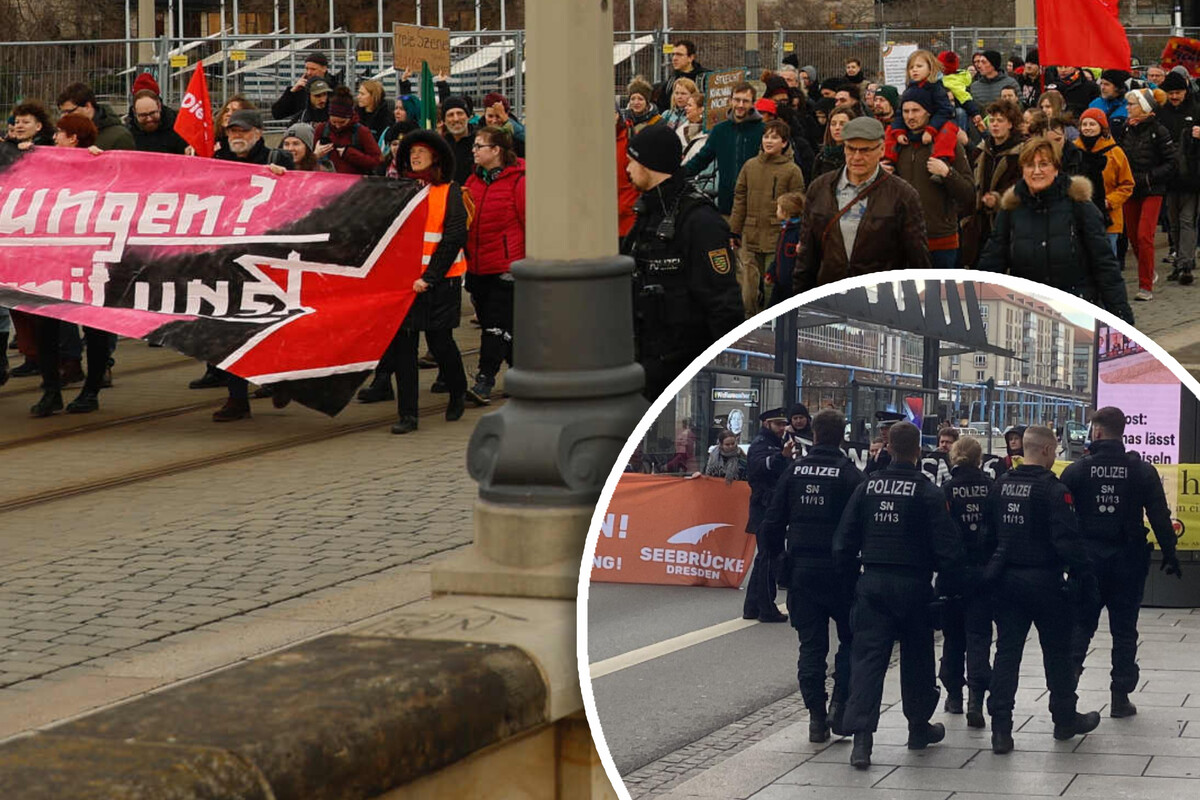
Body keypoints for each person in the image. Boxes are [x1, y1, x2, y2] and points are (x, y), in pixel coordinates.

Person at [833, 421, 964, 769]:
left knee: (868, 662)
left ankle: (862, 742)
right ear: (918, 451)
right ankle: (918, 728)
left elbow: (843, 541)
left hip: (873, 581)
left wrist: (851, 585)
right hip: (914, 585)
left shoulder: (867, 487)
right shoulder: (927, 492)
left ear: (887, 449)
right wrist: (943, 589)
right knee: (918, 659)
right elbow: (949, 551)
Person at [985, 426, 1101, 754]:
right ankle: (1064, 719)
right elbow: (1067, 540)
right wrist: (1085, 576)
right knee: (1058, 653)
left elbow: (988, 535)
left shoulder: (1001, 485)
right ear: (1049, 450)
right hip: (1046, 582)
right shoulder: (1053, 490)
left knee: (1007, 653)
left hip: (1007, 582)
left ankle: (1001, 729)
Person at [1061, 407, 1183, 717]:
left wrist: (1062, 558)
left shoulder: (1077, 470)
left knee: (1080, 626)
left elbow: (1058, 518)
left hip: (1087, 562)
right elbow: (1159, 515)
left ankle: (1067, 691)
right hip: (1128, 560)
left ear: (1097, 432)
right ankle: (1120, 697)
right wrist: (1170, 553)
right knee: (1125, 630)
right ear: (1123, 431)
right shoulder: (1141, 471)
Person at [761, 409, 864, 741]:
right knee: (851, 640)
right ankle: (839, 702)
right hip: (841, 573)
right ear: (841, 436)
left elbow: (772, 524)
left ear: (815, 435)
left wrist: (780, 563)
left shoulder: (794, 472)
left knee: (810, 646)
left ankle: (816, 718)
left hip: (802, 570)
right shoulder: (850, 475)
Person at [621, 125, 744, 400]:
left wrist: (719, 365)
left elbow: (723, 301)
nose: (627, 167)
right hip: (649, 355)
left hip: (683, 361)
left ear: (649, 163)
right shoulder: (648, 211)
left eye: (633, 160)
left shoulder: (698, 219)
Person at [369, 129, 477, 434]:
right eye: (411, 152)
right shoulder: (398, 189)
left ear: (436, 157)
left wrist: (429, 277)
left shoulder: (450, 191)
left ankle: (457, 392)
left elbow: (454, 236)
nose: (415, 156)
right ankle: (408, 415)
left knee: (441, 343)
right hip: (406, 283)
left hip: (441, 282)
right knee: (404, 348)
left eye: (421, 152)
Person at [977, 136, 1133, 323]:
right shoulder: (1011, 210)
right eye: (1029, 165)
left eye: (1044, 164)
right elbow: (992, 264)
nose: (1036, 171)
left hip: (1077, 313)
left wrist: (1121, 318)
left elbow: (1105, 265)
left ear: (1056, 168)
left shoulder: (1079, 206)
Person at [209, 109, 294, 421]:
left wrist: (283, 178)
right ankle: (236, 397)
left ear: (258, 133)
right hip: (230, 257)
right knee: (231, 328)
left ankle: (281, 379)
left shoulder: (278, 159)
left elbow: (298, 198)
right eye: (232, 132)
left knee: (269, 326)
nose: (236, 137)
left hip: (268, 258)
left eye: (242, 131)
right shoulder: (221, 164)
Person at [794, 116, 932, 290]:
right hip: (830, 293)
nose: (857, 157)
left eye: (865, 150)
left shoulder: (903, 195)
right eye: (851, 149)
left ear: (881, 150)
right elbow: (807, 252)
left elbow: (917, 256)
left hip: (880, 298)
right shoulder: (820, 188)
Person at [463, 126, 525, 401]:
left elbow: (529, 223)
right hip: (478, 266)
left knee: (495, 327)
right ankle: (520, 372)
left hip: (507, 265)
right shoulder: (473, 182)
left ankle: (485, 378)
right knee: (498, 325)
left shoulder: (519, 181)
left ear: (496, 150)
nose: (474, 150)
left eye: (480, 146)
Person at [939, 436, 994, 729]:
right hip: (983, 574)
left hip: (953, 574)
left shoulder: (946, 490)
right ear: (979, 459)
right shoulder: (991, 488)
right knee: (979, 637)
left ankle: (954, 696)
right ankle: (976, 698)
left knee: (953, 638)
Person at [891, 88, 975, 269]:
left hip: (941, 241)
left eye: (916, 111)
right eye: (906, 111)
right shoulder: (897, 144)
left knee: (940, 296)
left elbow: (968, 194)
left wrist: (947, 173)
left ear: (929, 112)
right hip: (903, 240)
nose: (910, 117)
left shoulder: (947, 143)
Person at [729, 120, 806, 316]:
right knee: (748, 287)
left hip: (777, 235)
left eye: (775, 137)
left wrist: (791, 230)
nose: (769, 141)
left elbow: (798, 204)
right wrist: (734, 230)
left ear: (784, 142)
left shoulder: (792, 170)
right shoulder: (750, 165)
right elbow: (739, 198)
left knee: (772, 284)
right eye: (766, 136)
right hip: (750, 232)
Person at [1120, 88, 1176, 301]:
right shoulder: (1126, 129)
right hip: (1131, 190)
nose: (1128, 108)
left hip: (1153, 190)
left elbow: (1171, 163)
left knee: (1145, 236)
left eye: (1132, 104)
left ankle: (1145, 286)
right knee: (1134, 237)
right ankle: (1149, 269)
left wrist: (1149, 178)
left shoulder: (1159, 131)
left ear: (1143, 107)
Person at [743, 408, 794, 624]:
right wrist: (780, 457)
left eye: (783, 424)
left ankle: (753, 606)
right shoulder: (761, 444)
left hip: (772, 506)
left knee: (767, 556)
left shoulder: (776, 443)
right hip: (764, 506)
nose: (782, 428)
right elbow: (757, 468)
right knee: (768, 558)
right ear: (766, 424)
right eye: (777, 424)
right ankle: (766, 607)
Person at [684, 82, 765, 216]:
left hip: (755, 205)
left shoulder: (762, 130)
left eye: (745, 101)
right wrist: (679, 175)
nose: (740, 105)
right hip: (727, 204)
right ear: (730, 101)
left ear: (753, 104)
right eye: (737, 100)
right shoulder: (720, 130)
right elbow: (701, 159)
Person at [967, 100, 1026, 267]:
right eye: (992, 120)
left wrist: (999, 198)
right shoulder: (981, 149)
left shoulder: (1021, 151)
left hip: (1009, 222)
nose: (994, 125)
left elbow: (1021, 183)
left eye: (1000, 121)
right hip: (980, 223)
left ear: (1010, 124)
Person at [1156, 70, 1200, 283]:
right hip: (1169, 177)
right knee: (1173, 223)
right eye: (1171, 92)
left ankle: (1186, 264)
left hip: (1192, 177)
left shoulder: (1196, 110)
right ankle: (1179, 259)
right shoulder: (1161, 113)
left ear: (1185, 91)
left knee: (1186, 222)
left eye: (1178, 92)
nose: (1174, 96)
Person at [1073, 108, 1135, 257]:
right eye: (1084, 124)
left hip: (1109, 217)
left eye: (1092, 124)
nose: (1087, 128)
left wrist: (1109, 201)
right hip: (1079, 216)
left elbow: (1127, 184)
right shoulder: (1073, 151)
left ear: (1102, 127)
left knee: (1107, 259)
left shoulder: (1115, 152)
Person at [884, 50, 960, 167]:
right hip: (914, 125)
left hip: (935, 125)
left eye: (919, 66)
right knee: (890, 130)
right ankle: (888, 160)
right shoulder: (908, 90)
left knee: (948, 129)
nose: (914, 70)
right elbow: (900, 113)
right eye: (911, 67)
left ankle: (941, 159)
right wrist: (899, 131)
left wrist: (931, 130)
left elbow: (945, 110)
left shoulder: (936, 88)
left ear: (930, 69)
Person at [312, 87, 382, 175]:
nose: (337, 126)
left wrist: (350, 154)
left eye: (342, 122)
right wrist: (315, 155)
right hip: (326, 182)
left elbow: (377, 161)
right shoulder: (321, 129)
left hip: (354, 184)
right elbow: (306, 163)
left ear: (350, 117)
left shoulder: (361, 132)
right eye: (333, 122)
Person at [271, 51, 340, 122]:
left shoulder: (336, 89)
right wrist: (291, 92)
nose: (309, 72)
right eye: (307, 69)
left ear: (324, 69)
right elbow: (277, 114)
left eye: (313, 69)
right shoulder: (301, 89)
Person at [765, 190, 805, 306]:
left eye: (778, 208)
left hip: (792, 285)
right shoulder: (784, 231)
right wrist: (771, 273)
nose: (776, 211)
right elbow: (778, 256)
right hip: (779, 282)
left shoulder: (798, 232)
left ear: (785, 212)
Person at [652, 39, 711, 111]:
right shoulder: (672, 80)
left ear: (691, 57)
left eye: (679, 55)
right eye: (673, 54)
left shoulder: (705, 78)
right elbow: (662, 105)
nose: (674, 58)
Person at [126, 89, 188, 154]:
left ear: (159, 107)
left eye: (152, 113)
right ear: (135, 113)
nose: (149, 119)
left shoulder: (178, 129)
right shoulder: (128, 135)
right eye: (143, 115)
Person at [812, 104, 858, 179]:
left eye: (842, 124)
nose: (837, 128)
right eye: (833, 124)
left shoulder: (856, 157)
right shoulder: (822, 157)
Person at [440, 96, 477, 184]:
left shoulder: (481, 141)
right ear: (444, 121)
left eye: (460, 113)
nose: (456, 119)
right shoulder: (440, 145)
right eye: (450, 115)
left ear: (468, 117)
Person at [1089, 69, 1131, 142]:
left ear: (1118, 87)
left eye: (1107, 84)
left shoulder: (1130, 104)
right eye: (1101, 83)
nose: (1102, 87)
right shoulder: (1094, 104)